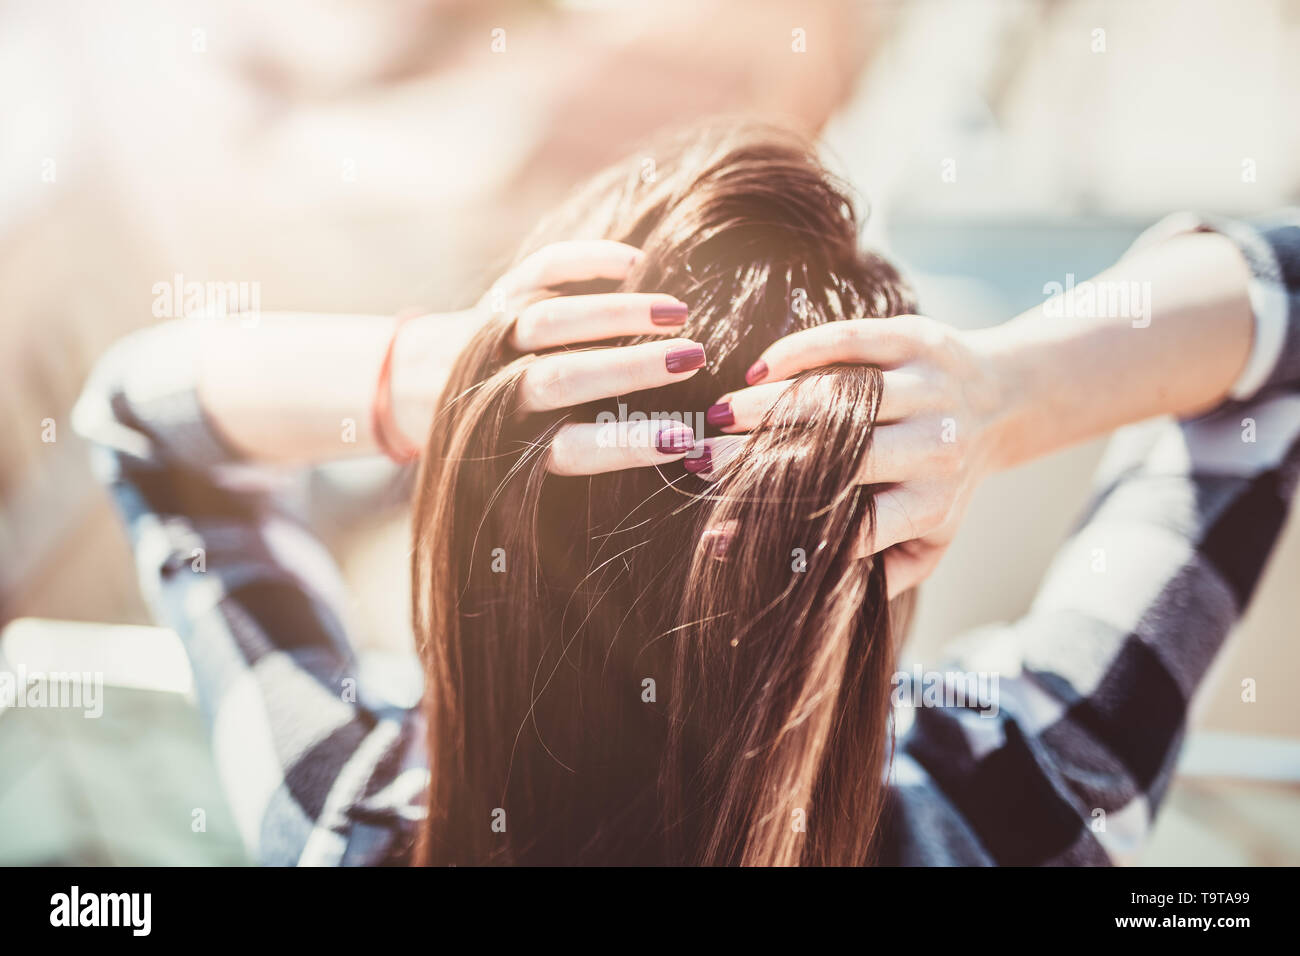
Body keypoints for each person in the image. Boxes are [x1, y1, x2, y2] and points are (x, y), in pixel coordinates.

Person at [74, 122, 1300, 865]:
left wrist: (431, 378)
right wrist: (999, 394)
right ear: (863, 553)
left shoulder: (344, 819)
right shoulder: (1031, 801)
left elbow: (142, 425)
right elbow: (1275, 332)